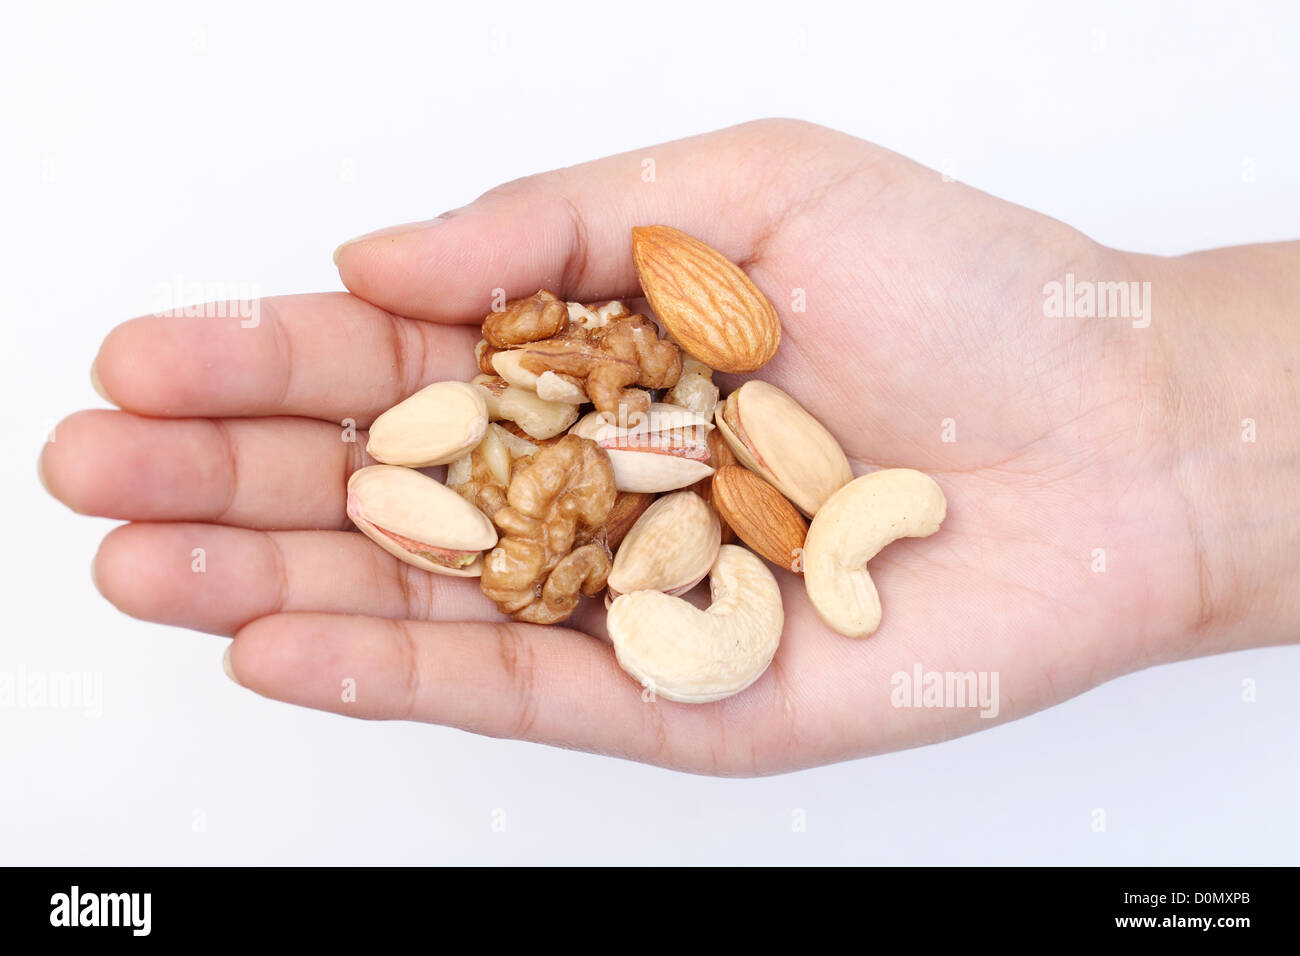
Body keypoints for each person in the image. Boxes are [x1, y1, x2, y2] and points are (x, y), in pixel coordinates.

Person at [37, 119, 1298, 774]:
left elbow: (655, 463)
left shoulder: (688, 434)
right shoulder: (601, 436)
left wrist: (1165, 402)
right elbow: (589, 456)